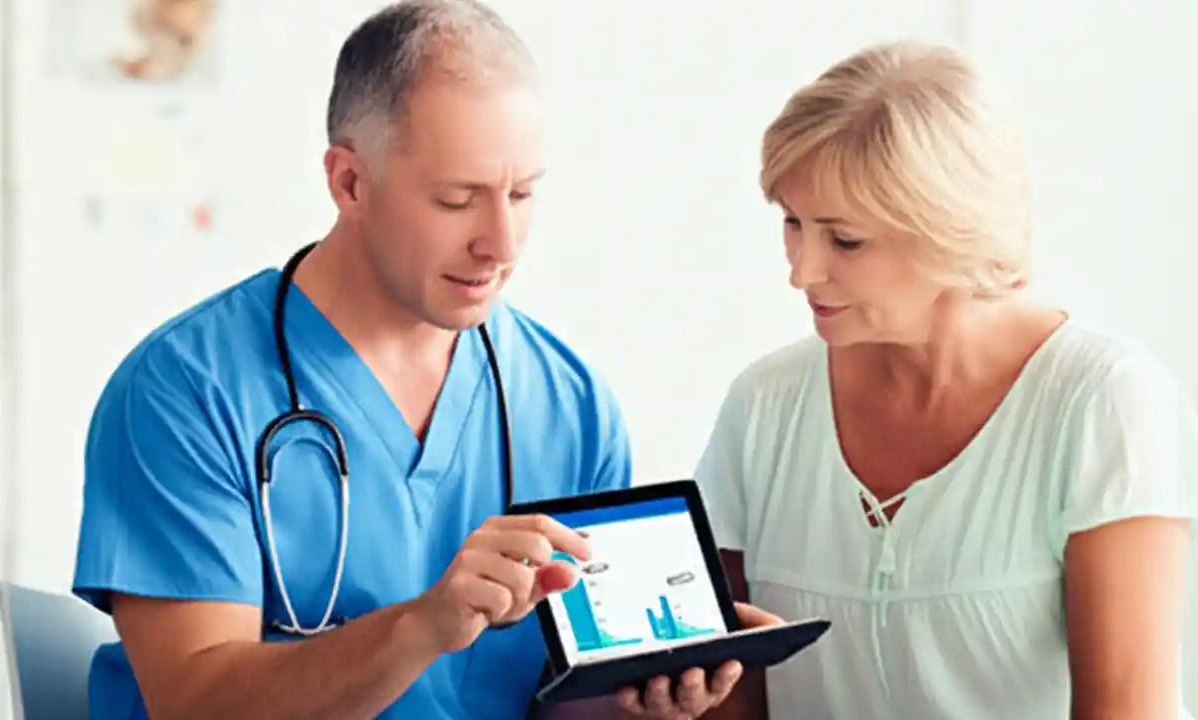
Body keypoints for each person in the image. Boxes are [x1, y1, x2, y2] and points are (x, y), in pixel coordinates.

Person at [70, 1, 778, 718]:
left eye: (522, 193)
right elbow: (194, 704)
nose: (500, 244)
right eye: (456, 199)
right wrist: (425, 625)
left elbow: (555, 702)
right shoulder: (188, 391)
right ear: (349, 182)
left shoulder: (569, 403)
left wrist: (640, 701)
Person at [695, 40, 1198, 720]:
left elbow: (1128, 710)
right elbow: (725, 696)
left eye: (844, 239)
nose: (801, 271)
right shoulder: (764, 406)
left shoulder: (1101, 399)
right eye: (792, 223)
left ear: (949, 230)